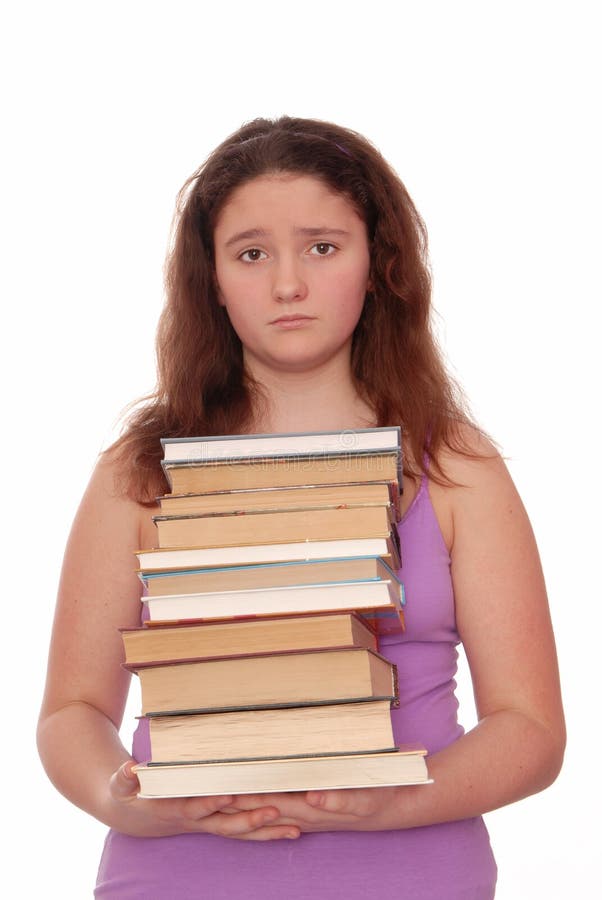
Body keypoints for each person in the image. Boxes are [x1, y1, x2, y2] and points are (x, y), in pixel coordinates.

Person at [37, 116, 565, 899]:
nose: (288, 284)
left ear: (378, 262)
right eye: (252, 254)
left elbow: (530, 731)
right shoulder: (138, 473)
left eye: (323, 246)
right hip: (176, 875)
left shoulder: (456, 468)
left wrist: (390, 803)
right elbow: (72, 711)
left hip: (412, 876)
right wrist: (134, 800)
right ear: (211, 278)